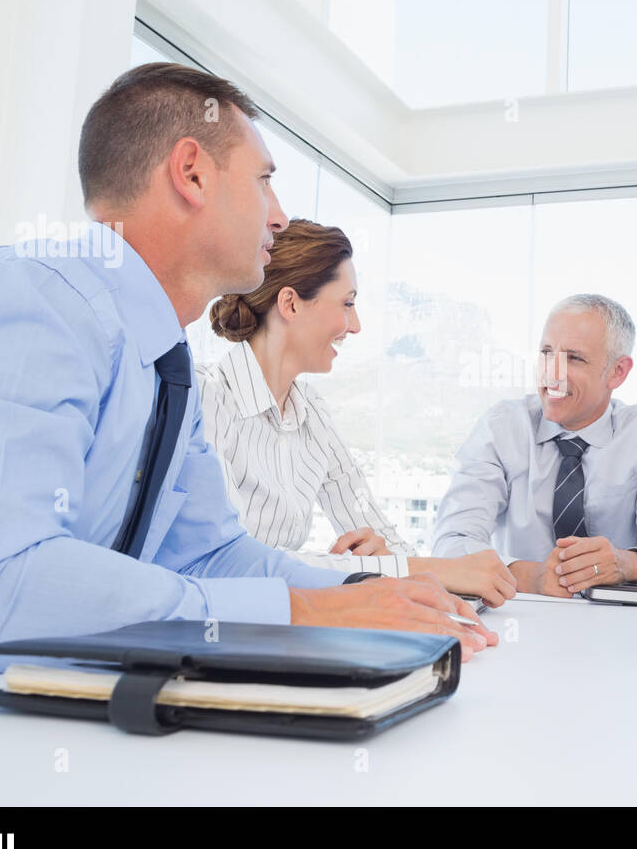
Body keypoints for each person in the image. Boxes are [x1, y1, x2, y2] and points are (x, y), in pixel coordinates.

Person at [0, 62, 494, 674]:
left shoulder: (165, 363)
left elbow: (208, 555)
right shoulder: (26, 304)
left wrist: (365, 597)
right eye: (263, 181)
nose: (278, 216)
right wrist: (300, 612)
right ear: (191, 173)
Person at [198, 218, 518, 606]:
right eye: (347, 304)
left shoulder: (312, 414)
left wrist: (385, 558)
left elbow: (387, 540)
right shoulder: (208, 397)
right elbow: (228, 562)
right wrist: (409, 570)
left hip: (288, 620)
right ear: (291, 303)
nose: (356, 325)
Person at [432, 294, 637, 596]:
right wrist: (531, 577)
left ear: (618, 372)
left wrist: (628, 564)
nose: (552, 374)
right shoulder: (502, 427)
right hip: (520, 615)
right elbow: (451, 543)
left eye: (574, 358)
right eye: (547, 353)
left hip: (623, 626)